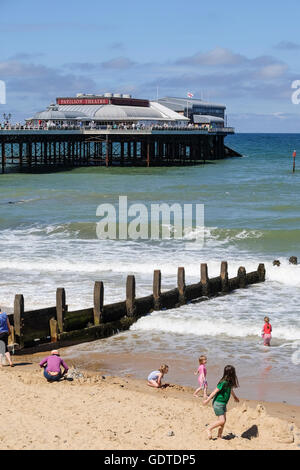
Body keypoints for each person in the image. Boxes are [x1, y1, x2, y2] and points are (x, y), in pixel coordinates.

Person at [203, 365, 239, 440]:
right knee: (222, 420)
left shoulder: (229, 382)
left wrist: (234, 397)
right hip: (218, 403)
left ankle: (219, 436)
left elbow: (230, 390)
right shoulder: (223, 382)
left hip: (223, 404)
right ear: (231, 373)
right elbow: (214, 391)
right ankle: (209, 428)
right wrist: (207, 400)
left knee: (223, 421)